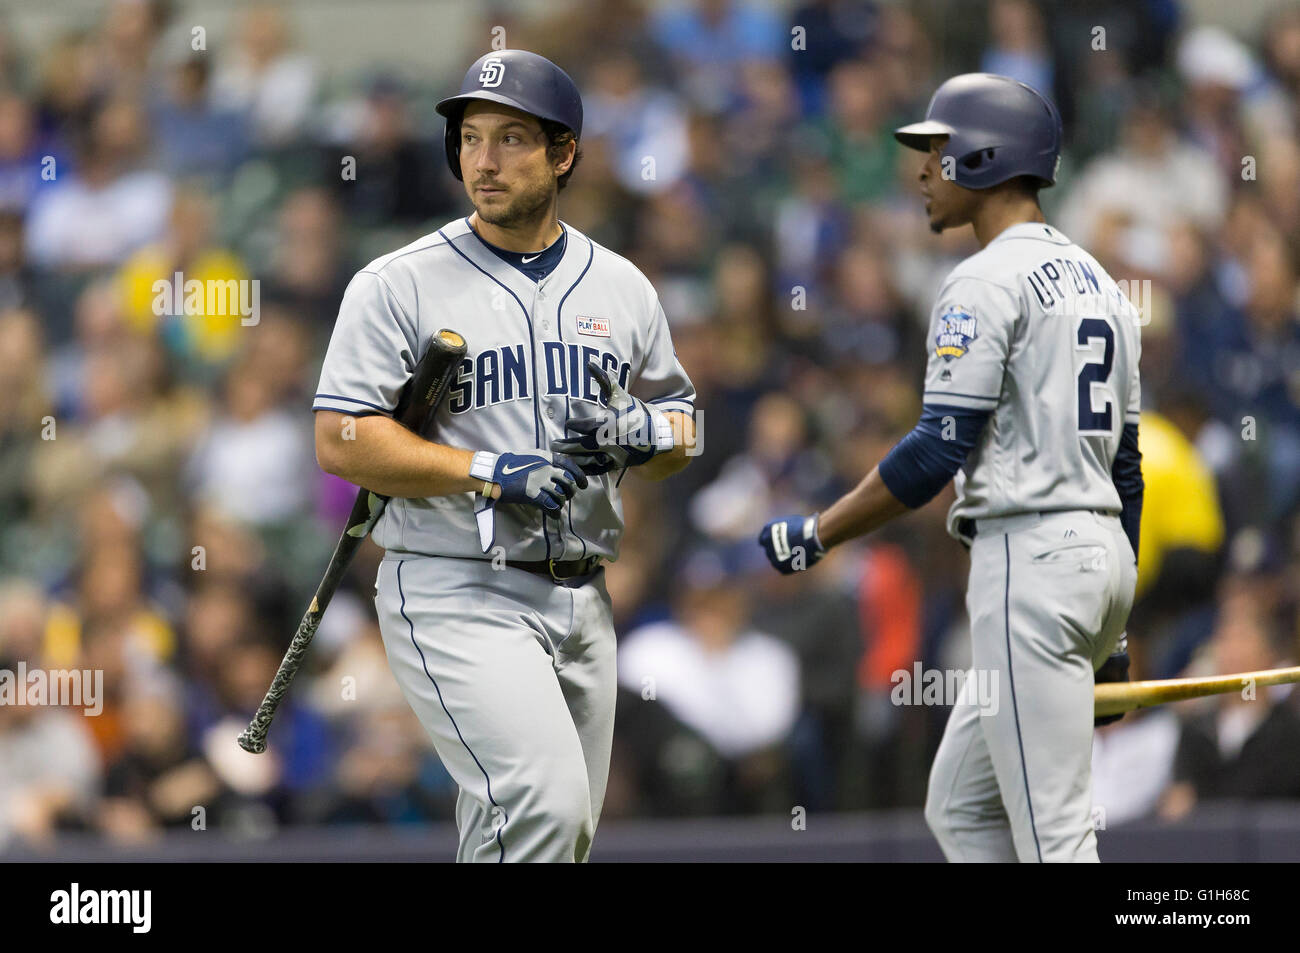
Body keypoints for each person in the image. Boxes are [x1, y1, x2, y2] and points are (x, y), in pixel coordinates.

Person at [312, 50, 696, 862]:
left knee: (548, 833)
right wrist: (483, 468)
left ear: (564, 154)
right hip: (457, 584)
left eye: (512, 139)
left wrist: (640, 435)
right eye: (471, 138)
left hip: (584, 595)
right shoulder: (397, 283)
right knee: (542, 811)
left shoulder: (622, 286)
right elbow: (339, 436)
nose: (483, 160)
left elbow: (682, 427)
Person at [758, 73, 1144, 863]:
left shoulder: (980, 277)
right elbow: (1128, 471)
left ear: (985, 155)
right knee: (963, 807)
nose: (923, 170)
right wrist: (1115, 625)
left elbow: (937, 449)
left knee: (1057, 837)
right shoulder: (1102, 284)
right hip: (1099, 558)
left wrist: (821, 531)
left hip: (1029, 560)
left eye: (938, 150)